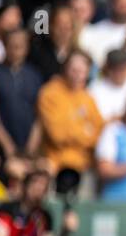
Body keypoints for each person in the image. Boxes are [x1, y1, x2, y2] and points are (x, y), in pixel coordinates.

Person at [36, 49, 103, 184]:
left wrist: (72, 129)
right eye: (74, 70)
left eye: (82, 71)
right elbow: (57, 135)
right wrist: (84, 130)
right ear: (65, 69)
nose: (78, 76)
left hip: (84, 165)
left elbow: (98, 134)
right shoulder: (50, 93)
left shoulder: (88, 97)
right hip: (56, 165)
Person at [0, 28, 43, 159]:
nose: (16, 49)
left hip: (28, 146)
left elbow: (39, 115)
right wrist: (7, 145)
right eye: (12, 45)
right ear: (4, 45)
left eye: (20, 45)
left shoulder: (35, 75)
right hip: (0, 147)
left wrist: (32, 145)